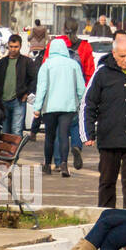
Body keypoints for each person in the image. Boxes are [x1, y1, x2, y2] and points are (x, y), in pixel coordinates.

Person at [83, 33, 126, 209]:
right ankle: (105, 216)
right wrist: (88, 133)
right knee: (107, 182)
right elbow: (88, 103)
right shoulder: (102, 73)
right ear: (114, 54)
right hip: (109, 138)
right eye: (123, 56)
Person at [33, 37, 86, 177]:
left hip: (50, 107)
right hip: (68, 106)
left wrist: (37, 108)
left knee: (50, 136)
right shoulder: (73, 64)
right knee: (63, 135)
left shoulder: (47, 65)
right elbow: (81, 87)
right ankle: (64, 164)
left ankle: (47, 165)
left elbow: (42, 88)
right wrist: (81, 102)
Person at [54, 17, 95, 170]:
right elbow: (90, 71)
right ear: (78, 28)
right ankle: (77, 146)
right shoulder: (84, 46)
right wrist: (86, 90)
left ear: (64, 28)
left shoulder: (57, 44)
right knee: (77, 124)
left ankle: (59, 162)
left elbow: (47, 64)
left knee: (59, 129)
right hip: (77, 93)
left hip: (57, 93)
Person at [0, 34, 37, 137]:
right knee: (5, 130)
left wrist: (26, 93)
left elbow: (34, 79)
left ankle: (15, 153)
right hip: (3, 101)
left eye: (16, 47)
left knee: (17, 130)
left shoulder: (26, 62)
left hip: (18, 100)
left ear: (20, 46)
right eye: (11, 47)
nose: (13, 49)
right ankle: (6, 153)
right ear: (8, 46)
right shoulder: (2, 62)